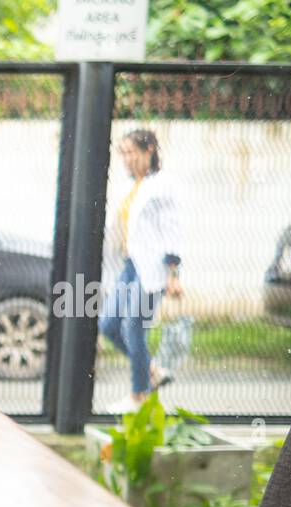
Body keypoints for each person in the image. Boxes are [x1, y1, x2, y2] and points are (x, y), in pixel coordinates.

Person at [99, 129, 184, 412]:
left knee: (133, 328)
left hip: (153, 269)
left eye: (131, 151)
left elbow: (172, 229)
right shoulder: (130, 186)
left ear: (149, 151)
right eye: (122, 152)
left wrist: (173, 275)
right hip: (129, 265)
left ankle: (139, 396)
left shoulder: (163, 184)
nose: (126, 158)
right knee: (108, 325)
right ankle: (152, 370)